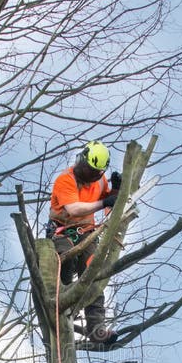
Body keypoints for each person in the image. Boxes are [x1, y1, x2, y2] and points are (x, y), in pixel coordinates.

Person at [47, 141, 120, 346]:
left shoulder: (99, 180)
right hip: (63, 233)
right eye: (86, 167)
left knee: (94, 274)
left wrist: (115, 191)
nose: (88, 173)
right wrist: (104, 202)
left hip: (87, 233)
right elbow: (74, 209)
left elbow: (109, 207)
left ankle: (96, 329)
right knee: (65, 264)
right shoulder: (66, 179)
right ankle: (64, 309)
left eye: (93, 171)